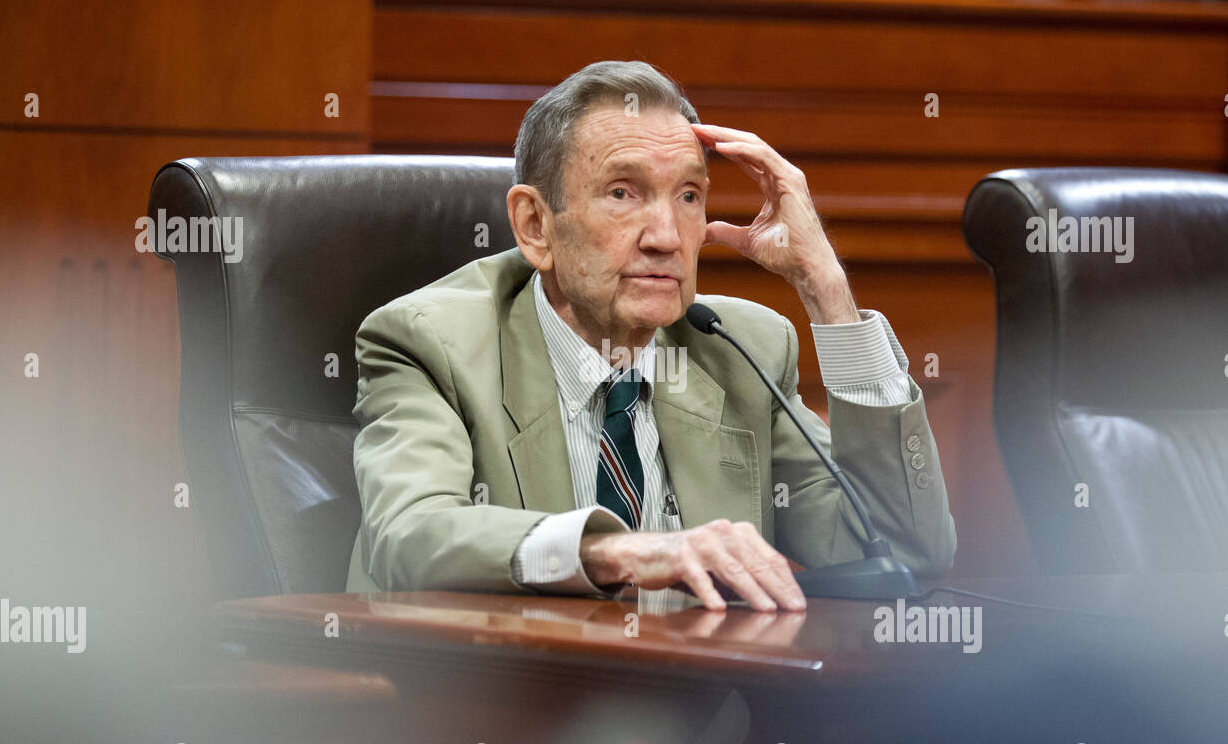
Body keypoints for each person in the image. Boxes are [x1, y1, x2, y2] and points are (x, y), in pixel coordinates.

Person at [345, 60, 955, 611]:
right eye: (623, 193)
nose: (666, 235)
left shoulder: (738, 350)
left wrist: (827, 289)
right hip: (498, 711)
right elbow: (409, 537)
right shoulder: (431, 343)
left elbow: (901, 555)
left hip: (701, 714)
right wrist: (618, 552)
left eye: (688, 195)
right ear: (535, 225)